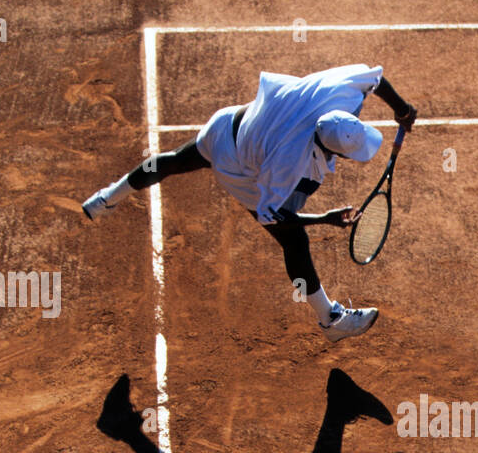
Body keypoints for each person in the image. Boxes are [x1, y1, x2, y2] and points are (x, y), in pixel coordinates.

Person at [81, 64, 417, 342]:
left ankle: (107, 198)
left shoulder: (337, 93)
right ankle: (330, 320)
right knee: (294, 240)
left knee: (171, 162)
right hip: (234, 162)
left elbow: (375, 79)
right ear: (329, 150)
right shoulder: (287, 162)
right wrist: (324, 219)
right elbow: (274, 216)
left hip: (227, 122)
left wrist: (401, 109)